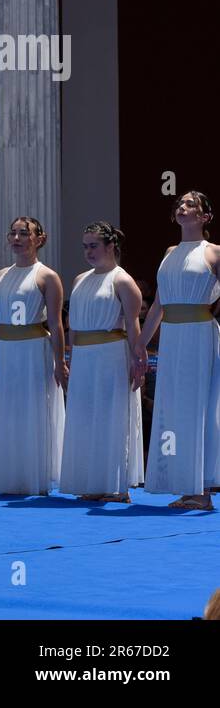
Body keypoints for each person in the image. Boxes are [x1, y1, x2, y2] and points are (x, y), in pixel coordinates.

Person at [133, 191, 220, 510]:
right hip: (171, 337)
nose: (182, 208)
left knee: (198, 408)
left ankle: (202, 490)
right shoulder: (170, 251)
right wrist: (139, 345)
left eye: (190, 205)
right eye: (179, 204)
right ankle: (186, 484)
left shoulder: (214, 253)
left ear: (205, 216)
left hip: (200, 335)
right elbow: (158, 304)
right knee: (175, 408)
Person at [59, 222, 142, 503]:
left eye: (94, 245)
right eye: (85, 246)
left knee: (110, 417)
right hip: (83, 357)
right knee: (84, 417)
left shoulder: (122, 281)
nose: (88, 252)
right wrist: (68, 356)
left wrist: (137, 360)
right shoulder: (80, 279)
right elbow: (73, 327)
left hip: (110, 355)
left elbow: (133, 326)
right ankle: (91, 481)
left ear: (110, 246)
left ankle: (116, 485)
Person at [0, 216, 67, 496]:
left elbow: (56, 324)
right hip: (6, 351)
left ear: (39, 239)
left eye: (24, 233)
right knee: (8, 410)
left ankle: (33, 476)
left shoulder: (47, 276)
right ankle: (9, 474)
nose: (17, 238)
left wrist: (60, 363)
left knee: (31, 410)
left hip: (33, 350)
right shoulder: (1, 275)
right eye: (13, 233)